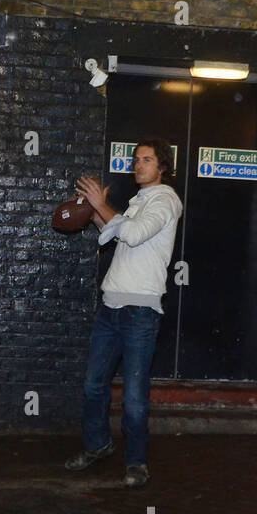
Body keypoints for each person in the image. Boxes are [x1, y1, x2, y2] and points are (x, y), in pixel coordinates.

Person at [64, 139, 183, 489]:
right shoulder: (137, 201)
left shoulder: (165, 200)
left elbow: (131, 233)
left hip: (140, 312)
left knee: (133, 395)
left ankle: (136, 461)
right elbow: (109, 235)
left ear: (162, 167)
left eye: (147, 160)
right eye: (136, 159)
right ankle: (98, 445)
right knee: (93, 385)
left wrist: (104, 204)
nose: (138, 164)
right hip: (110, 306)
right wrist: (93, 209)